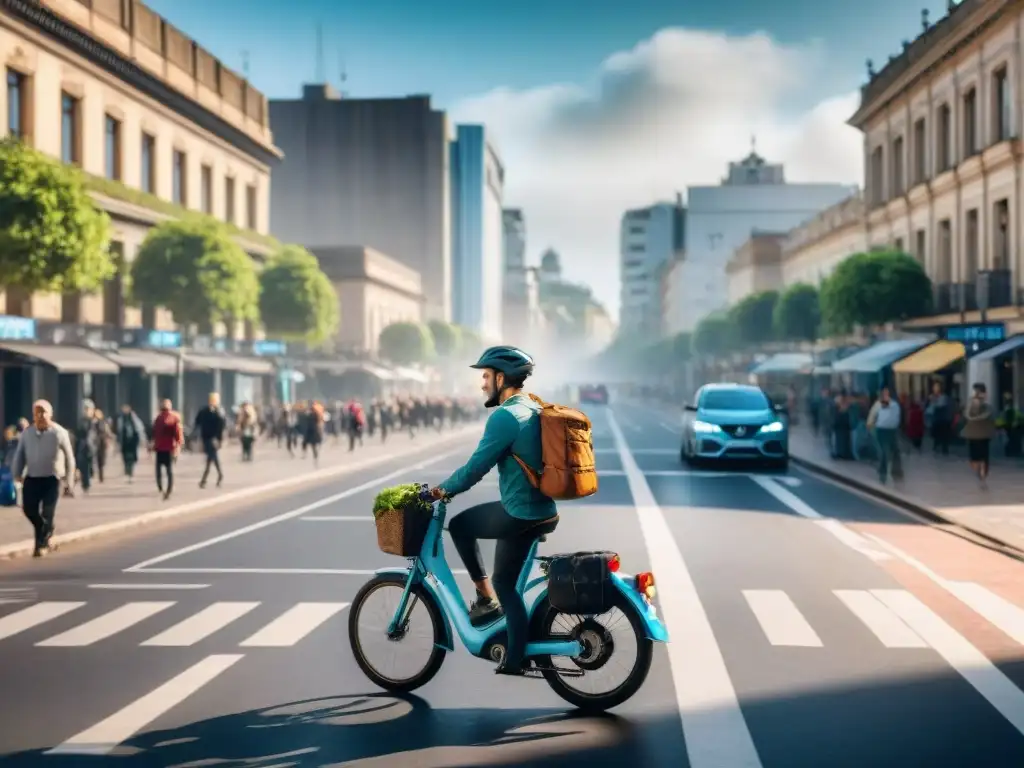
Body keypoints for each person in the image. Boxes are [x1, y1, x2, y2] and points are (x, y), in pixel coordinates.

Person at [429, 346, 558, 677]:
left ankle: (512, 653)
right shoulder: (532, 406)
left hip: (521, 513)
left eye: (485, 376)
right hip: (539, 507)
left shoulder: (505, 417)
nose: (482, 384)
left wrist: (440, 491)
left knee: (465, 533)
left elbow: (475, 469)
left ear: (502, 378)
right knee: (508, 581)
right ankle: (492, 604)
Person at [10, 400, 75, 557]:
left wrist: (69, 483)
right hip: (32, 477)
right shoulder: (27, 433)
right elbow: (20, 455)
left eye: (44, 412)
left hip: (52, 479)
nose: (40, 416)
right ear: (33, 416)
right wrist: (17, 473)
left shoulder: (59, 432)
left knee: (47, 511)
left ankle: (40, 545)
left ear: (50, 414)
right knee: (29, 510)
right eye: (37, 413)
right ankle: (46, 530)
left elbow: (69, 458)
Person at [963, 382, 996, 488]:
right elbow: (967, 413)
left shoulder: (987, 405)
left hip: (984, 433)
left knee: (984, 454)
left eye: (979, 391)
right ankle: (978, 470)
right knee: (974, 456)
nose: (977, 394)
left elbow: (988, 414)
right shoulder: (971, 403)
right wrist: (974, 404)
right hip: (972, 433)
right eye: (976, 391)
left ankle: (983, 473)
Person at [867, 387, 903, 484]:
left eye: (887, 394)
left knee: (896, 451)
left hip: (892, 431)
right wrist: (870, 425)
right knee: (884, 451)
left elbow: (897, 417)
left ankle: (896, 472)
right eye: (884, 394)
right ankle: (882, 471)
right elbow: (872, 415)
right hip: (881, 431)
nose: (885, 396)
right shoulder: (878, 404)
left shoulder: (895, 405)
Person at [151, 399, 184, 499]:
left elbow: (154, 433)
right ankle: (168, 489)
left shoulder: (158, 418)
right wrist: (179, 444)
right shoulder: (174, 418)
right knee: (169, 470)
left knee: (158, 469)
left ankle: (160, 486)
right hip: (169, 447)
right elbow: (178, 433)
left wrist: (153, 444)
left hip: (160, 447)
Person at [194, 392, 226, 488]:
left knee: (210, 458)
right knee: (213, 458)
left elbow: (221, 427)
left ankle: (204, 480)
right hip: (207, 438)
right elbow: (197, 422)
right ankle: (219, 475)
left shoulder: (218, 412)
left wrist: (219, 440)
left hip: (212, 439)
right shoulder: (205, 411)